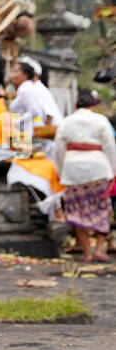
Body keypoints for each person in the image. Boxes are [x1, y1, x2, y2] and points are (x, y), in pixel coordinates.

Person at [51, 89, 116, 263]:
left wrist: (60, 170)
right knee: (102, 209)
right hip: (98, 168)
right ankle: (100, 249)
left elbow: (58, 149)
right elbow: (110, 147)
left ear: (76, 105)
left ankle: (87, 252)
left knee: (76, 211)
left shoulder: (66, 122)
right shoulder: (101, 120)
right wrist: (113, 170)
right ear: (93, 106)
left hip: (74, 170)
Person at [10, 55, 63, 135]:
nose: (13, 75)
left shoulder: (31, 88)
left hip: (43, 135)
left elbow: (47, 115)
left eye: (16, 71)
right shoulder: (32, 87)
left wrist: (16, 122)